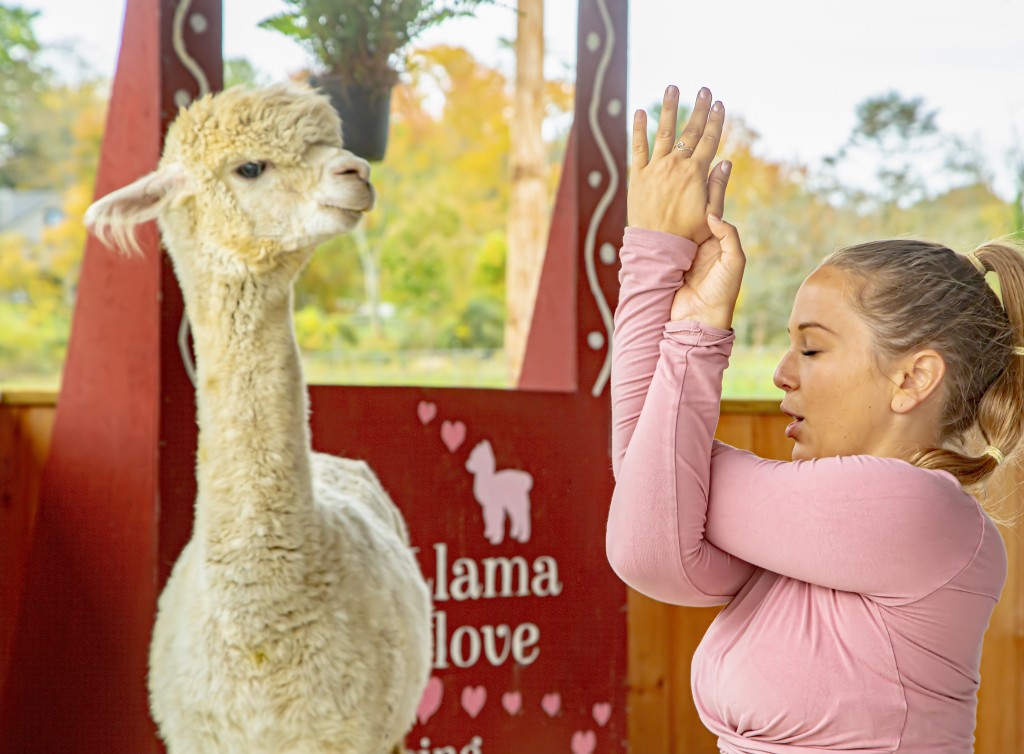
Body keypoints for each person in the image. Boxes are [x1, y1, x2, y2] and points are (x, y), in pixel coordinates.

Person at [606, 84, 1021, 754]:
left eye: (813, 347)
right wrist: (662, 271)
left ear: (914, 377)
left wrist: (657, 258)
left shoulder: (920, 512)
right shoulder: (805, 543)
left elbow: (644, 486)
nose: (782, 373)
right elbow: (647, 509)